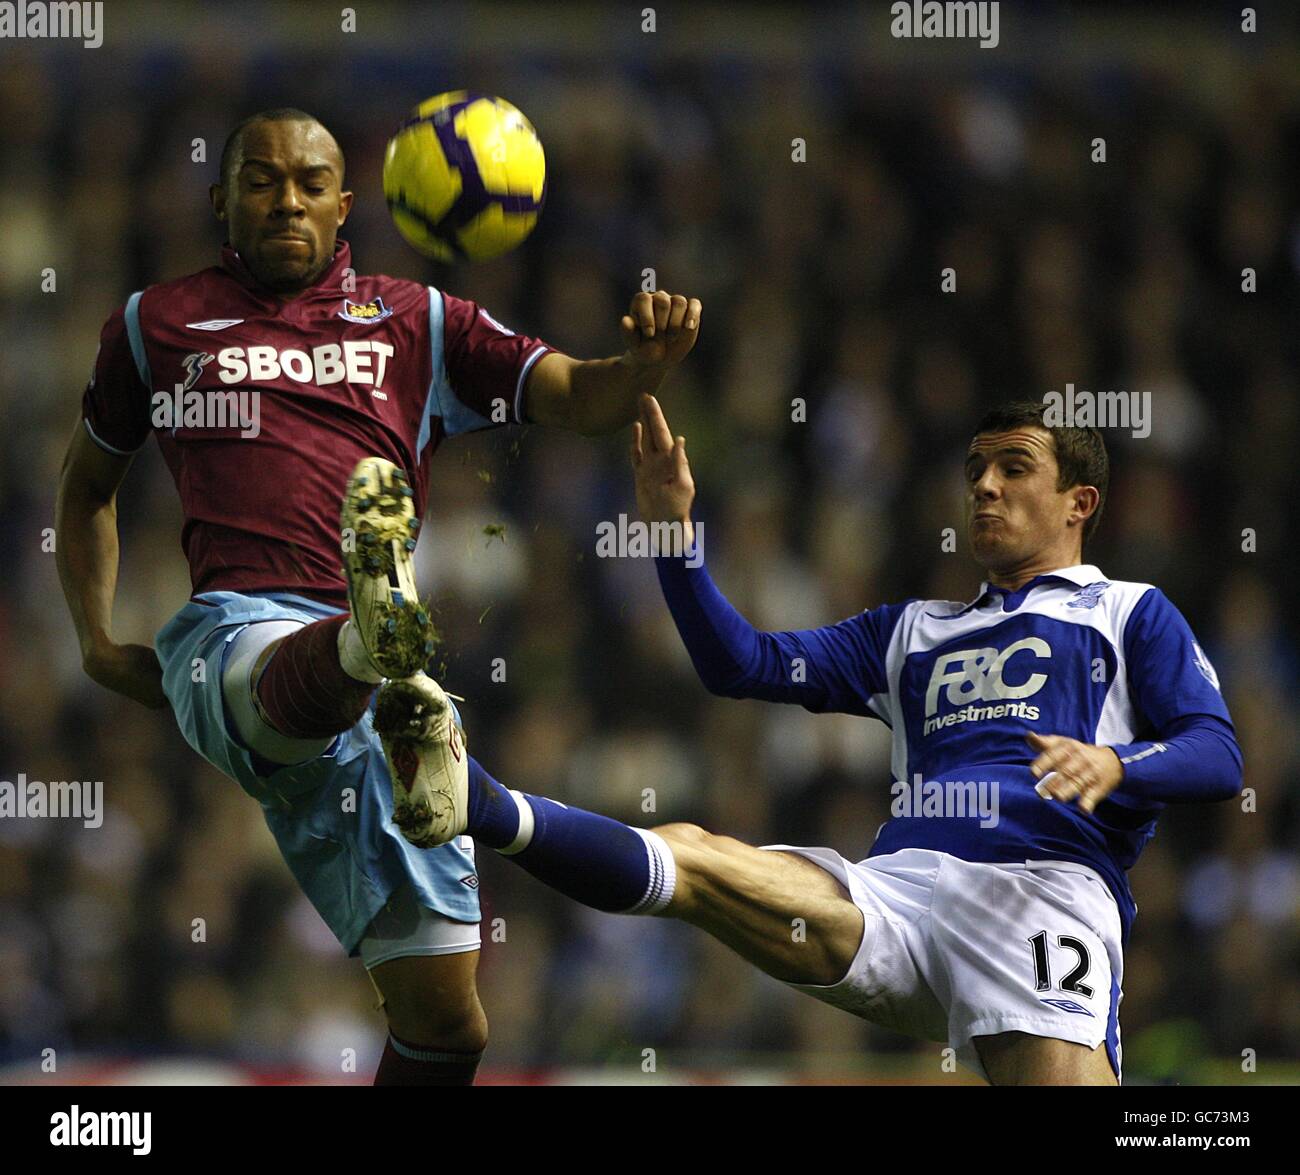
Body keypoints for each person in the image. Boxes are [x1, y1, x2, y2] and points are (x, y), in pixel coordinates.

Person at [54, 107, 701, 1085]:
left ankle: (371, 647)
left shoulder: (418, 321)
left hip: (385, 734)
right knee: (282, 667)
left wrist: (645, 366)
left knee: (450, 1027)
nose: (286, 199)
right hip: (229, 636)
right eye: (262, 180)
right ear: (220, 199)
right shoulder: (154, 325)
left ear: (346, 204)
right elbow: (85, 488)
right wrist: (97, 638)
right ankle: (368, 640)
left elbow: (578, 394)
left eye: (310, 182)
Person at [394, 393, 1243, 1085]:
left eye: (1014, 468)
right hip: (899, 896)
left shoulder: (1128, 612)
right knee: (694, 858)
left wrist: (1115, 762)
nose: (984, 485)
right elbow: (743, 665)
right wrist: (673, 536)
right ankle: (480, 803)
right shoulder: (912, 629)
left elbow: (1217, 754)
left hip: (1038, 893)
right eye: (976, 468)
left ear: (1078, 503)